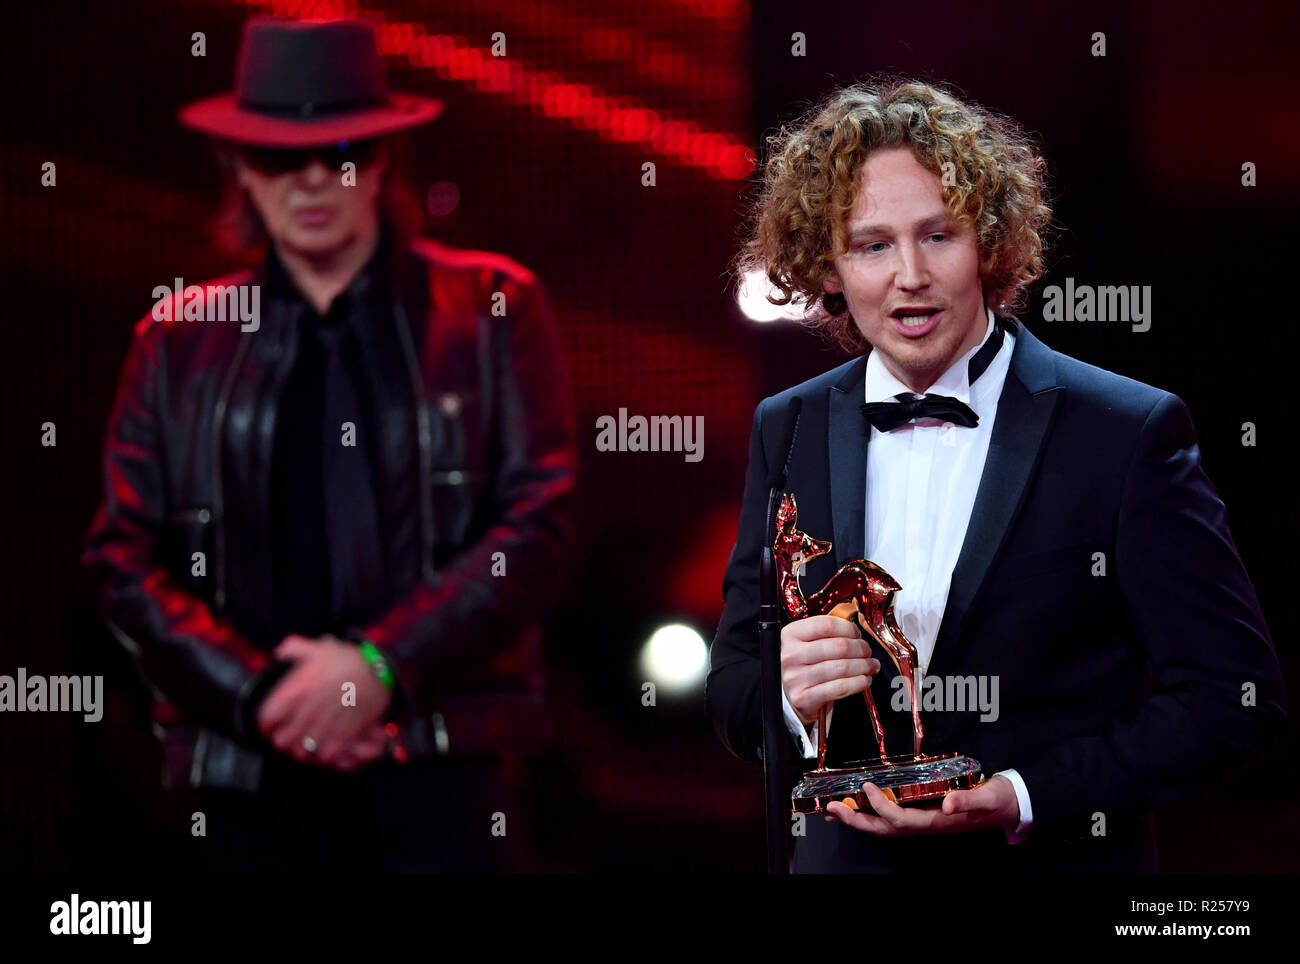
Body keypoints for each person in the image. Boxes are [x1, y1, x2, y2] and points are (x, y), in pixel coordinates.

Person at [706, 79, 1287, 872]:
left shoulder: (1124, 430)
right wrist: (786, 695)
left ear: (990, 240)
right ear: (828, 266)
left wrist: (1023, 792)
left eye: (938, 235)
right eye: (872, 245)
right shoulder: (789, 424)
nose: (909, 273)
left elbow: (1235, 705)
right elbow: (734, 688)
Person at [82, 16, 577, 872]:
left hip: (441, 767)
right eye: (280, 153)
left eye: (341, 147)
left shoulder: (495, 308)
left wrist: (377, 670)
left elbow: (537, 530)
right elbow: (122, 559)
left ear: (383, 157)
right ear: (239, 166)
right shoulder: (176, 340)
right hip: (245, 780)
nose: (314, 177)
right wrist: (264, 694)